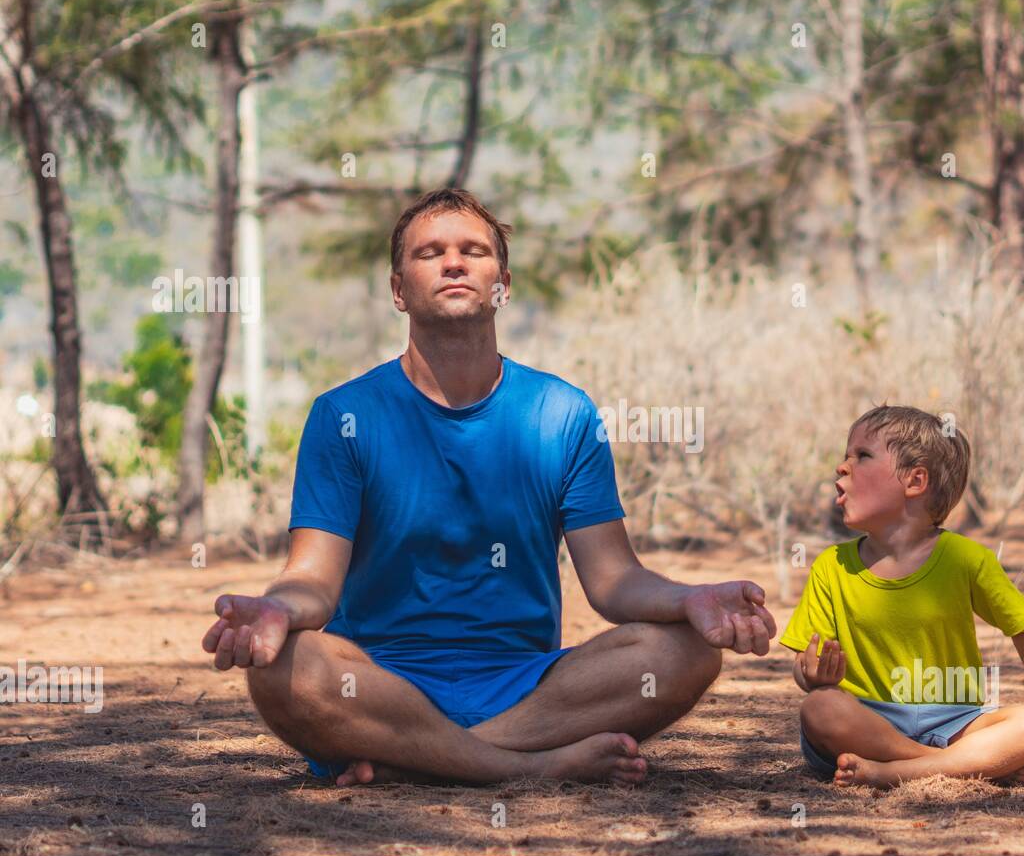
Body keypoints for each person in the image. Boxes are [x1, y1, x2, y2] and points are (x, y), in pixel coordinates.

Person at [201, 188, 776, 787]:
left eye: (473, 251)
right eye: (431, 253)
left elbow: (614, 581)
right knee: (281, 668)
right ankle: (532, 767)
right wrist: (275, 608)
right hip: (375, 686)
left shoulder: (562, 412)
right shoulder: (343, 415)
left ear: (502, 283)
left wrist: (690, 599)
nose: (454, 262)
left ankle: (422, 762)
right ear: (399, 289)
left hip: (528, 689)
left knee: (685, 652)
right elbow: (313, 581)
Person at [782, 405, 1024, 787]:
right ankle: (966, 765)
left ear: (915, 481)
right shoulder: (831, 566)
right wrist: (810, 674)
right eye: (845, 456)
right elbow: (804, 666)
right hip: (868, 724)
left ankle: (894, 772)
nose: (842, 466)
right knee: (820, 708)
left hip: (956, 720)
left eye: (862, 456)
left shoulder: (965, 558)